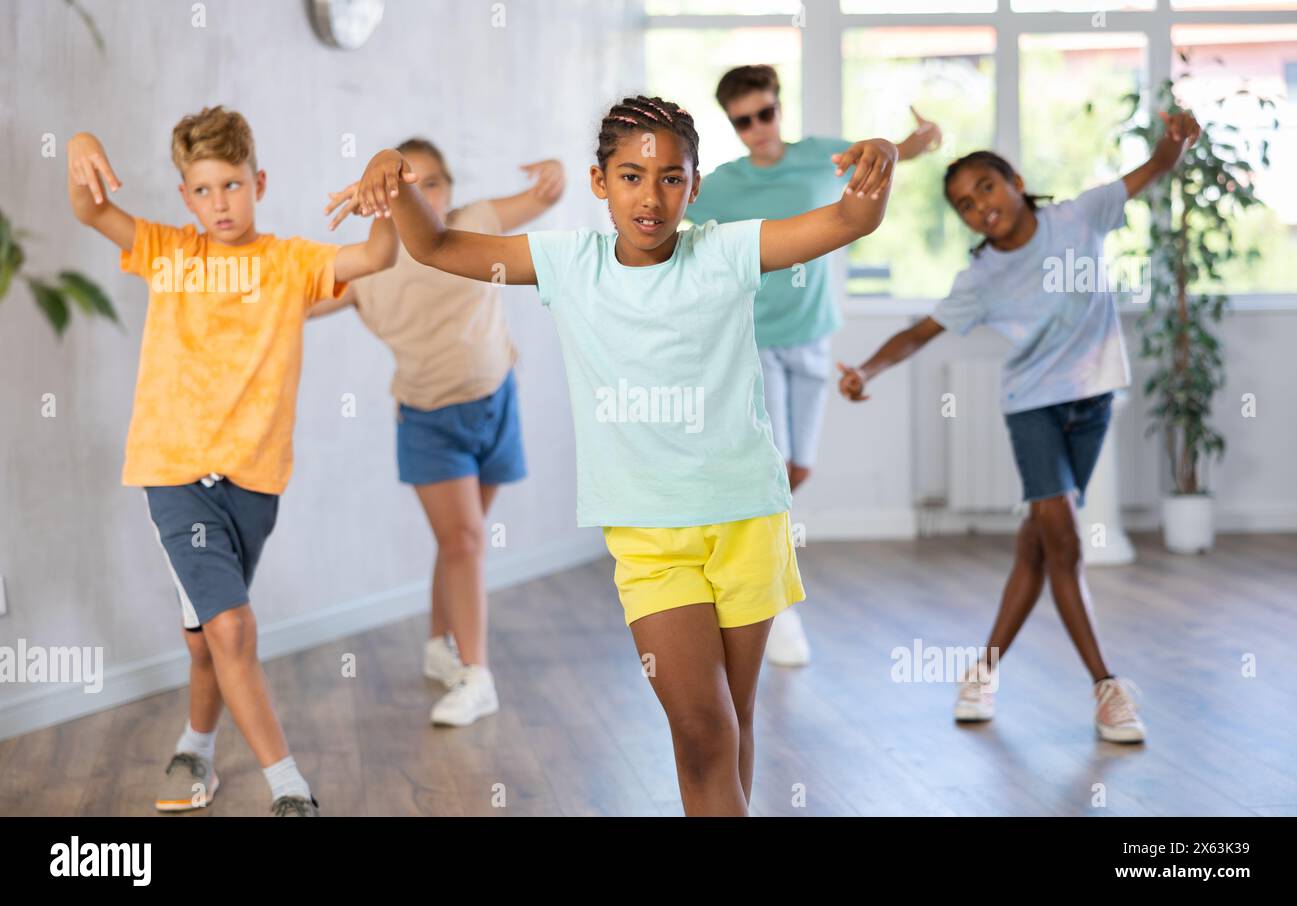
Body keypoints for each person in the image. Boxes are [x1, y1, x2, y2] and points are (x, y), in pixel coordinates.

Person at [337, 94, 897, 814]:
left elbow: (853, 218)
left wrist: (878, 159)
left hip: (747, 520)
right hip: (648, 535)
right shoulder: (569, 263)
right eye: (630, 176)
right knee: (701, 728)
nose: (651, 196)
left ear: (694, 186)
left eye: (671, 178)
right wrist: (397, 177)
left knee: (734, 721)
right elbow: (437, 246)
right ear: (599, 183)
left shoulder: (727, 249)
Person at [66, 105, 398, 814]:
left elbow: (375, 258)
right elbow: (91, 210)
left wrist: (386, 175)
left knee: (207, 642)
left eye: (234, 186)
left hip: (254, 482)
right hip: (174, 473)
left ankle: (194, 750)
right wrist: (81, 142)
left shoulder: (290, 263)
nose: (221, 203)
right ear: (186, 196)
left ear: (261, 182)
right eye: (205, 189)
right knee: (233, 629)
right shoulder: (168, 252)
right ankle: (290, 789)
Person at [838, 110, 1203, 744]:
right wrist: (866, 370)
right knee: (1065, 543)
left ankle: (980, 672)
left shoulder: (1079, 218)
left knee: (1036, 549)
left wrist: (1174, 140)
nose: (979, 207)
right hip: (1032, 407)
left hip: (1091, 403)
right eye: (963, 205)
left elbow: (1152, 170)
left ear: (1015, 181)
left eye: (986, 187)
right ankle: (1107, 688)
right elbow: (918, 332)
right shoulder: (980, 278)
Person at [686, 64, 943, 667]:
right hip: (754, 338)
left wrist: (920, 141)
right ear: (733, 125)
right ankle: (772, 607)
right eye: (743, 121)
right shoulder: (721, 184)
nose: (757, 129)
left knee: (798, 468)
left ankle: (744, 571)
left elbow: (887, 156)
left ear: (779, 107)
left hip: (812, 335)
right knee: (772, 470)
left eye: (764, 114)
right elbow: (670, 216)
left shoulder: (824, 158)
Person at [313, 138, 564, 726]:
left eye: (430, 183)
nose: (418, 195)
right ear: (384, 196)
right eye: (405, 184)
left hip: (497, 402)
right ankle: (478, 674)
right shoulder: (368, 267)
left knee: (462, 542)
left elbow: (544, 196)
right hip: (430, 420)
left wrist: (554, 172)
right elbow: (286, 303)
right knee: (466, 542)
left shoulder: (474, 223)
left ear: (449, 190)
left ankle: (437, 644)